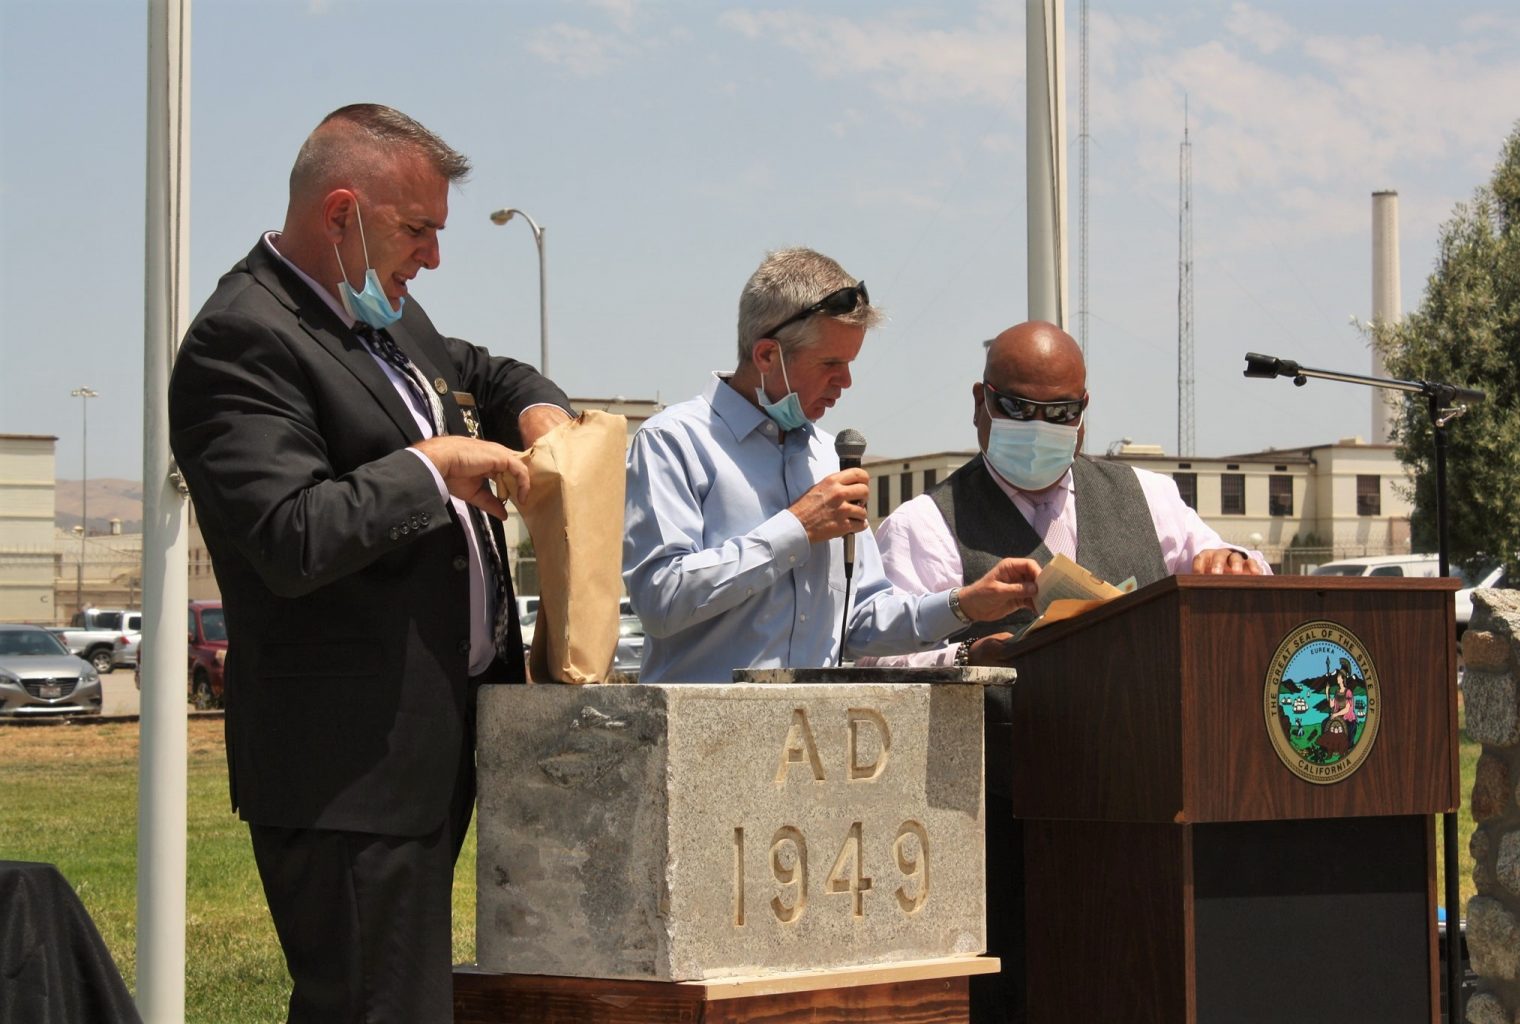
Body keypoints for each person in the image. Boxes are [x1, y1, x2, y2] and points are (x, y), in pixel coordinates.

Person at [168, 104, 573, 1023]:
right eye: (418, 230)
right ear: (341, 214)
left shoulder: (380, 314)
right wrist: (430, 469)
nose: (432, 257)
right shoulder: (243, 340)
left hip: (432, 754)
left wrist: (535, 408)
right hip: (350, 774)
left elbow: (479, 368)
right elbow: (290, 536)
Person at [866, 320, 1271, 1023]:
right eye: (1018, 408)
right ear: (981, 404)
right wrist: (968, 655)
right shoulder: (924, 524)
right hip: (1003, 823)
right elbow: (883, 667)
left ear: (1084, 416)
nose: (1039, 426)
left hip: (1137, 809)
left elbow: (1240, 570)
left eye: (1061, 413)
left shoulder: (1146, 495)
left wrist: (1232, 562)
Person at [622, 247, 1041, 683]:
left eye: (850, 363)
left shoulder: (827, 457)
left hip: (812, 737)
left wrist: (965, 604)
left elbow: (859, 621)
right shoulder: (674, 441)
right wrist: (796, 527)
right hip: (705, 737)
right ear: (767, 355)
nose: (845, 381)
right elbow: (660, 601)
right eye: (830, 364)